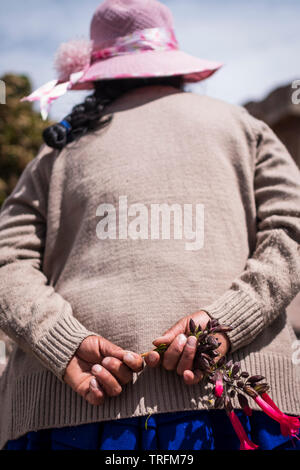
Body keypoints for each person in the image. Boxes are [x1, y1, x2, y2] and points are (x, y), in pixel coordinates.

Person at [1, 0, 300, 451]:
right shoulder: (242, 127)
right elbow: (292, 227)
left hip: (67, 419)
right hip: (237, 410)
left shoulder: (57, 152)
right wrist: (224, 324)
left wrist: (62, 342)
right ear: (172, 62)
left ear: (98, 70)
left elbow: (6, 258)